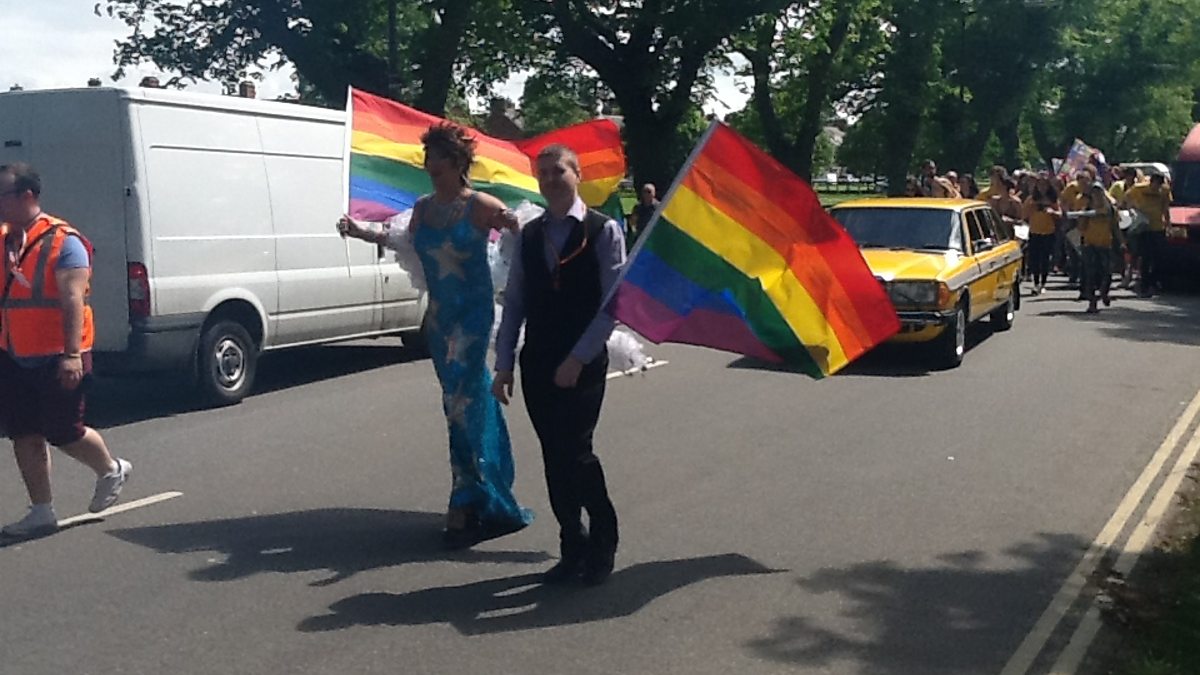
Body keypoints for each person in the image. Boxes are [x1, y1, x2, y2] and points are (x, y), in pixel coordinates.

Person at [338, 124, 532, 549]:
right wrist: (358, 230)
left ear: (457, 162)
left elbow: (517, 241)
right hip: (441, 321)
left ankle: (465, 501)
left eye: (437, 158)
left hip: (473, 318)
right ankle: (486, 491)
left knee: (462, 404)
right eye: (427, 159)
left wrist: (513, 223)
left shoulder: (481, 205)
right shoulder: (423, 208)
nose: (429, 166)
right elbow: (399, 238)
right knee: (460, 403)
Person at [492, 144, 625, 587]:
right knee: (553, 455)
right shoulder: (529, 235)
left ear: (577, 174)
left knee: (577, 451)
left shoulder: (602, 230)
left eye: (558, 170)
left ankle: (603, 537)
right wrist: (505, 361)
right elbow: (515, 302)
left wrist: (577, 358)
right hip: (539, 359)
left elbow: (611, 306)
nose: (550, 178)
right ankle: (573, 543)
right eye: (543, 172)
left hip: (582, 359)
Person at [0, 163, 132, 539]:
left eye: (2, 196)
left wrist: (72, 354)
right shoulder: (6, 239)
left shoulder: (65, 241)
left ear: (27, 196)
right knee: (22, 431)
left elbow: (73, 299)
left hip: (58, 353)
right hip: (12, 351)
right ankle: (41, 511)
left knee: (63, 430)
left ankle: (111, 468)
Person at [1070, 183, 1125, 313]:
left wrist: (1122, 242)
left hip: (1105, 245)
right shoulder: (1087, 209)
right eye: (1094, 193)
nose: (1097, 196)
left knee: (1107, 273)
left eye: (1099, 193)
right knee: (1090, 274)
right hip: (1090, 245)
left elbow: (1115, 227)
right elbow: (1081, 228)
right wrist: (1084, 216)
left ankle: (1104, 292)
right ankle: (1092, 302)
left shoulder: (1110, 210)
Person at [1124, 173, 1172, 297]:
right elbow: (1127, 196)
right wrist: (1132, 209)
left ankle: (1153, 284)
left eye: (1159, 185)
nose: (1156, 188)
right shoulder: (1140, 188)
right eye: (1154, 185)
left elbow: (1166, 208)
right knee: (1145, 257)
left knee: (1158, 258)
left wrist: (1168, 225)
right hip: (1144, 227)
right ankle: (1144, 286)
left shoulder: (1165, 191)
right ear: (1151, 182)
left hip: (1158, 227)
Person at [1022, 175, 1060, 294]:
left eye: (1045, 184)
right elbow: (1024, 216)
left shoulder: (1052, 199)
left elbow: (1060, 213)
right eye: (1040, 185)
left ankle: (1043, 283)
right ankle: (1036, 282)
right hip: (1034, 231)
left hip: (1048, 232)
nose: (1042, 187)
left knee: (1045, 259)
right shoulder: (1031, 199)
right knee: (1034, 259)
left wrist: (1052, 211)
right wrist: (1033, 208)